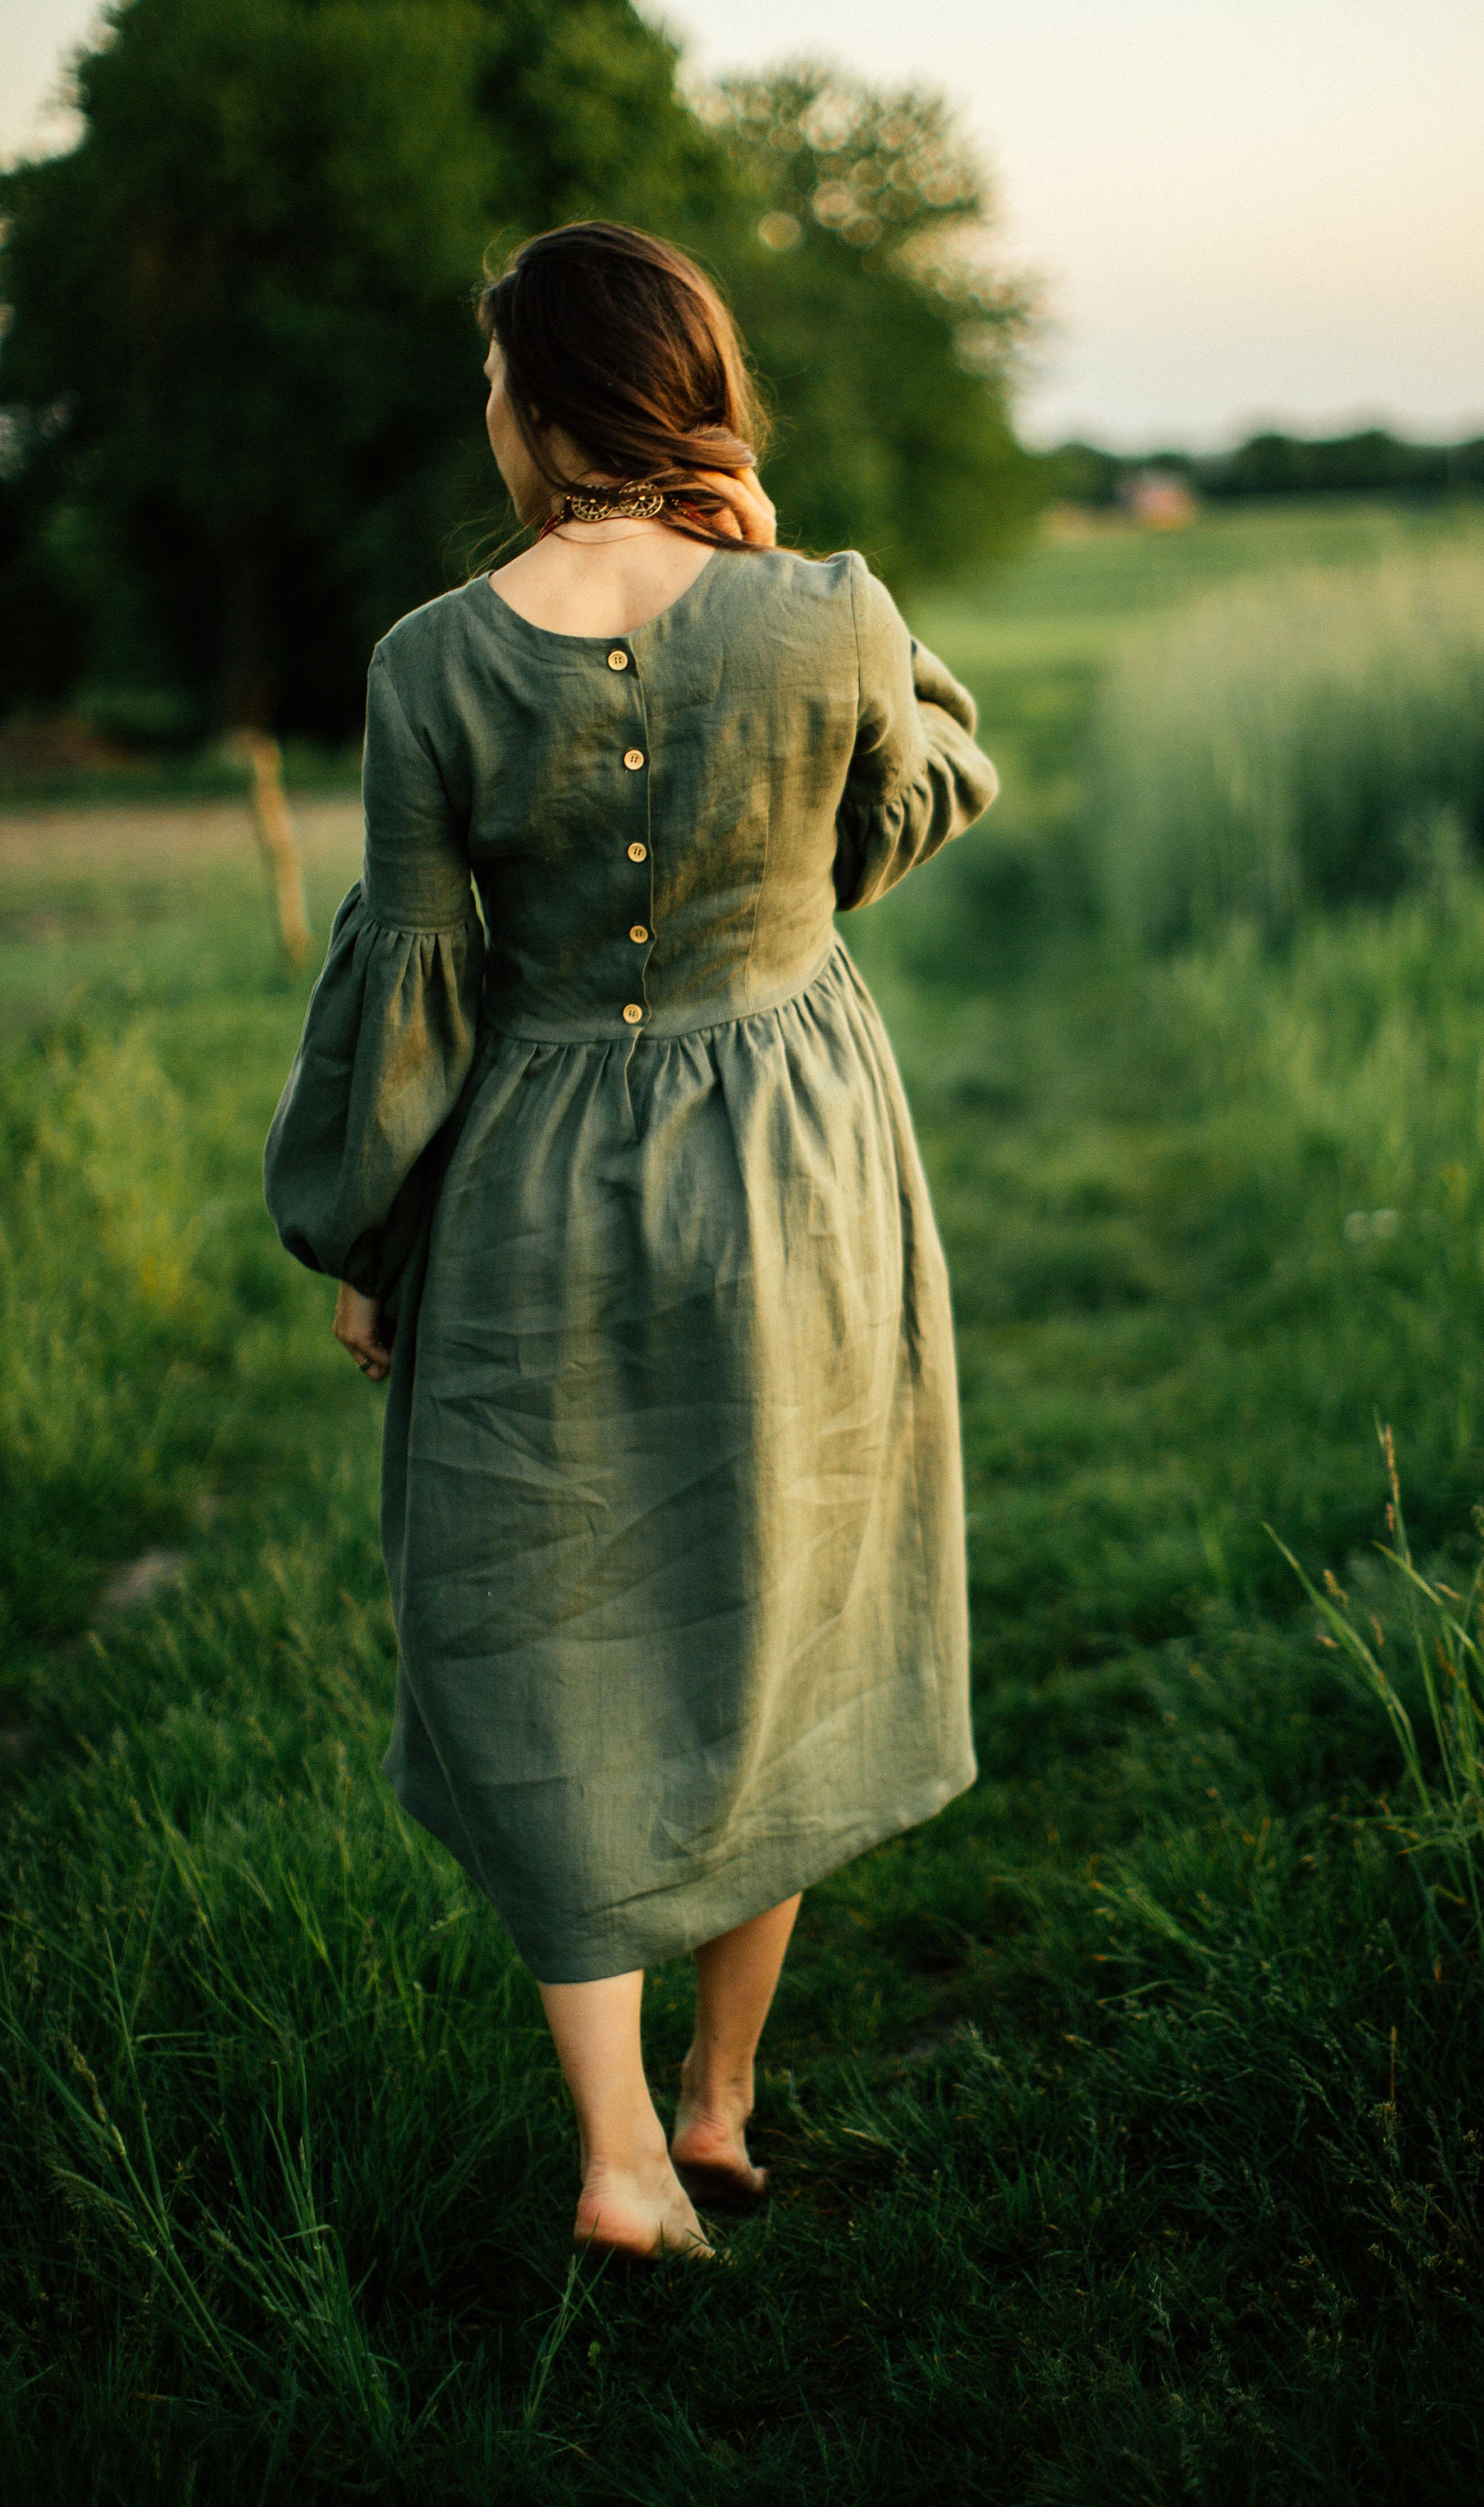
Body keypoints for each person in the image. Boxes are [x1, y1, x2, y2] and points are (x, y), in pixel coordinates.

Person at [263, 221, 998, 2259]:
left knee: (539, 1622)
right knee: (787, 1595)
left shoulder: (428, 662)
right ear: (681, 391)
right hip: (797, 1161)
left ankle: (614, 2160)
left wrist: (362, 1235)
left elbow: (409, 984)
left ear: (539, 402)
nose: (485, 418)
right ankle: (721, 2098)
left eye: (496, 384)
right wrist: (778, 564)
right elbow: (930, 782)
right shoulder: (825, 608)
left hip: (526, 1183)